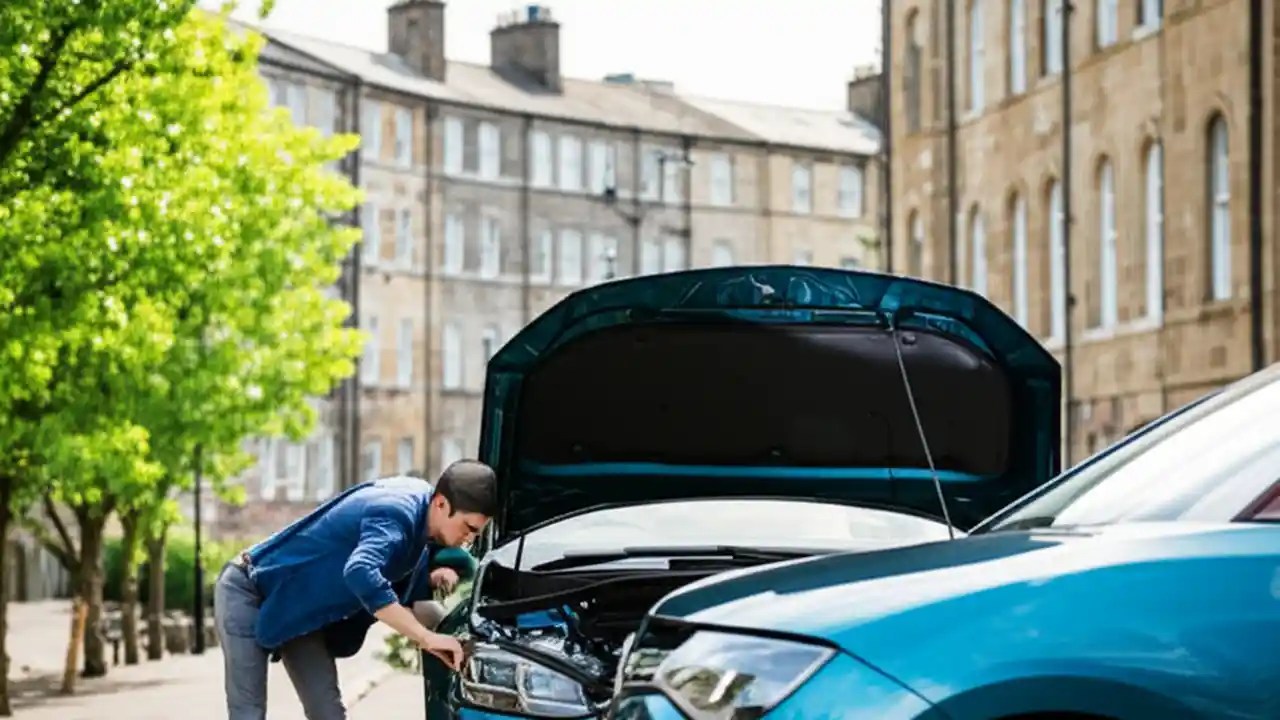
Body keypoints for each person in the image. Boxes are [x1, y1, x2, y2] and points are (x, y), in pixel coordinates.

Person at [213, 460, 496, 720]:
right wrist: (426, 638)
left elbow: (401, 573)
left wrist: (435, 594)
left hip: (298, 611)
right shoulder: (396, 510)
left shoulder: (423, 511)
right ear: (441, 504)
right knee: (248, 713)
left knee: (328, 712)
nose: (468, 539)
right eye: (468, 528)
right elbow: (361, 571)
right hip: (249, 589)